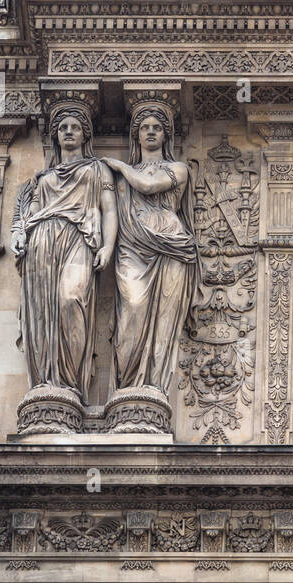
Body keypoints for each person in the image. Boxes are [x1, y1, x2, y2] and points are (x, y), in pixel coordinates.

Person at [12, 103, 117, 397]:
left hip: (78, 239)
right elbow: (28, 214)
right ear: (55, 136)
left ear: (85, 135)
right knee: (42, 312)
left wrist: (108, 246)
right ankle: (47, 381)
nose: (68, 131)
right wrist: (20, 234)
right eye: (62, 128)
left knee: (71, 300)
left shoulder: (98, 169)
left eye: (74, 127)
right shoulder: (42, 178)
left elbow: (109, 210)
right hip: (42, 241)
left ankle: (70, 383)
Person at [100, 105, 198, 396]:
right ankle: (129, 386)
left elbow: (149, 185)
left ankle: (153, 388)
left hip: (171, 246)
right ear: (136, 135)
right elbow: (109, 215)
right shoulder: (120, 180)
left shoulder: (177, 169)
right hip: (131, 247)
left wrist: (120, 167)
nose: (151, 131)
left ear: (166, 135)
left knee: (165, 322)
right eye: (145, 127)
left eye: (157, 127)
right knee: (132, 308)